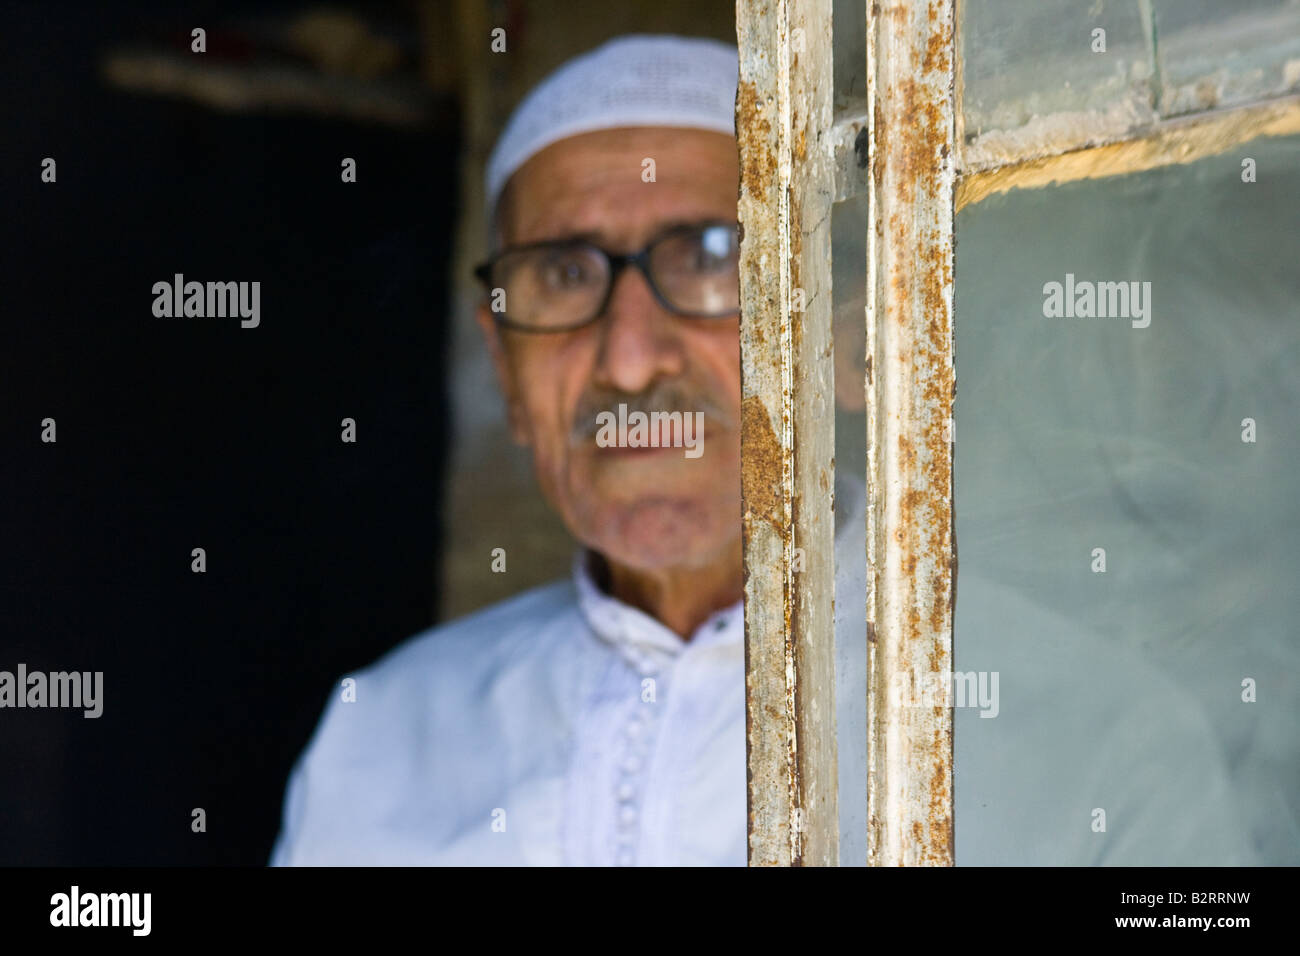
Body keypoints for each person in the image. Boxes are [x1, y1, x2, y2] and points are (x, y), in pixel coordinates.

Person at [270, 34, 1257, 866]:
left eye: (709, 256)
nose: (625, 357)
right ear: (506, 368)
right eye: (563, 273)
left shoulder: (1095, 740)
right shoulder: (382, 731)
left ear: (845, 335)